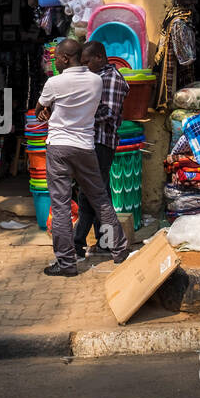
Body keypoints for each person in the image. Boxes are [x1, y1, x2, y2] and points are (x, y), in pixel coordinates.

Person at [36, 39, 129, 276]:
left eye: (56, 57)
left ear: (66, 58)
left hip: (58, 148)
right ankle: (120, 252)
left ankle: (67, 264)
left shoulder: (53, 83)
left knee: (60, 206)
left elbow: (40, 111)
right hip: (86, 146)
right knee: (101, 200)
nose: (54, 61)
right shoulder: (96, 80)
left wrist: (51, 110)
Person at [74, 41, 129, 259]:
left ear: (99, 57)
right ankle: (105, 242)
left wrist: (81, 117)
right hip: (92, 141)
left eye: (87, 61)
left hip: (102, 143)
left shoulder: (111, 78)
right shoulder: (97, 78)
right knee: (97, 193)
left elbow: (109, 113)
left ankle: (78, 243)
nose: (85, 66)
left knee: (91, 194)